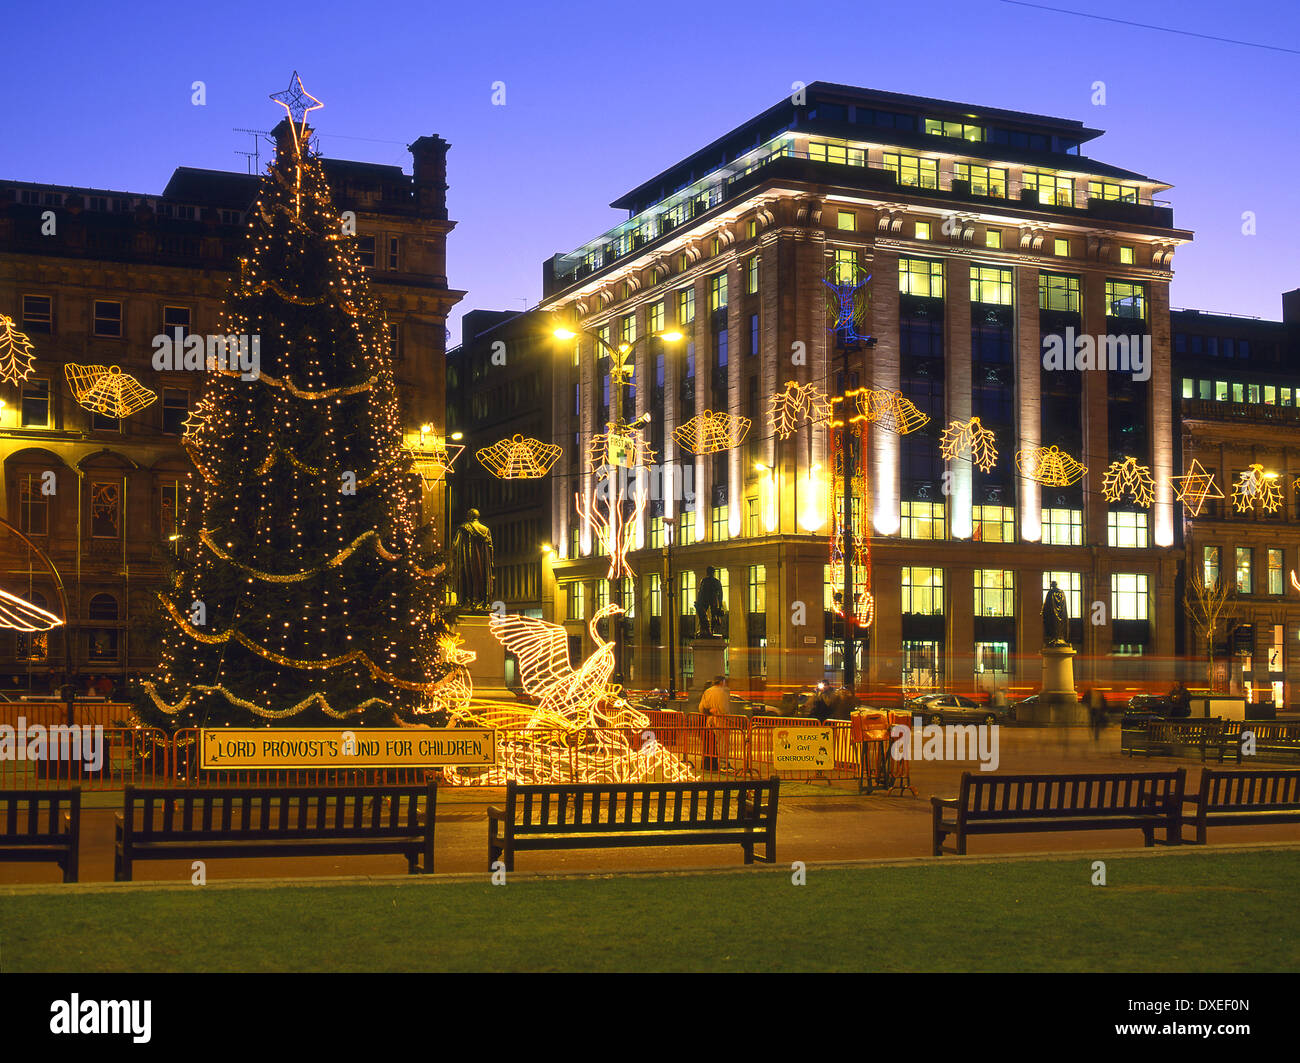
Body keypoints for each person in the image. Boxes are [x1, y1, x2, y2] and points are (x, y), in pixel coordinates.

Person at [700, 676, 730, 771]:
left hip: (710, 720)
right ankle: (723, 763)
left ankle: (710, 761)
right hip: (721, 720)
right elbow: (724, 708)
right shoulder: (722, 692)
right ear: (721, 682)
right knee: (722, 742)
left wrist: (709, 712)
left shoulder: (707, 691)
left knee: (711, 742)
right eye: (724, 682)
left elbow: (701, 707)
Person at [694, 567, 725, 638]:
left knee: (706, 615)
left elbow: (700, 592)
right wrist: (720, 605)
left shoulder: (705, 581)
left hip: (707, 599)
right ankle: (709, 630)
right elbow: (720, 594)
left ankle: (709, 630)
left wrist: (699, 601)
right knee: (708, 615)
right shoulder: (715, 581)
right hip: (711, 599)